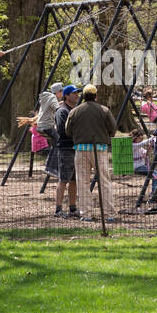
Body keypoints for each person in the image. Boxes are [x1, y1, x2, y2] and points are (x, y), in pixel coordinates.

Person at [65, 83, 118, 222]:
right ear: (96, 96)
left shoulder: (74, 111)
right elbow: (113, 129)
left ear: (83, 96)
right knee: (104, 182)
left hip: (81, 150)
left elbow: (68, 131)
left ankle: (86, 214)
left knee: (82, 182)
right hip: (99, 150)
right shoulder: (104, 110)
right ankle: (108, 214)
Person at [53, 85, 80, 218]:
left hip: (76, 148)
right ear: (66, 95)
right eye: (74, 93)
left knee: (74, 180)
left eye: (77, 93)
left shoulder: (74, 109)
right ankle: (58, 209)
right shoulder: (62, 111)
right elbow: (63, 131)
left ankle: (72, 208)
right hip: (66, 148)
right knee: (64, 179)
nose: (77, 95)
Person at [35, 82, 64, 179]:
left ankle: (49, 165)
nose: (62, 94)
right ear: (58, 92)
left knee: (55, 143)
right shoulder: (52, 98)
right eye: (62, 92)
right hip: (47, 126)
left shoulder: (46, 98)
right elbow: (58, 110)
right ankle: (51, 167)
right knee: (60, 142)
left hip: (40, 126)